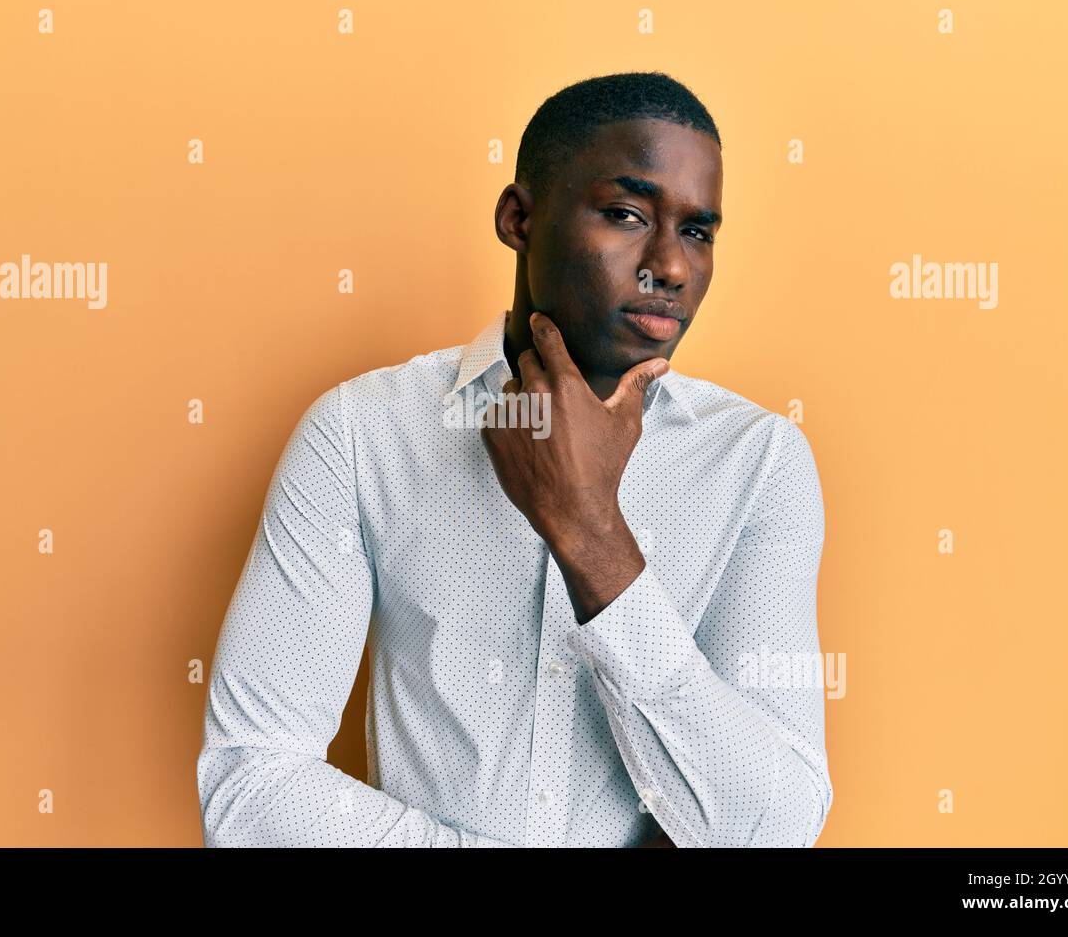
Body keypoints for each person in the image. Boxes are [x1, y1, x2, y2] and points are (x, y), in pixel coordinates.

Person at [196, 71, 833, 847]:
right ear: (519, 218)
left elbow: (775, 829)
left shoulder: (758, 463)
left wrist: (592, 535)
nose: (669, 266)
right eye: (627, 214)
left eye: (697, 232)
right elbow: (251, 783)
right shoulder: (364, 434)